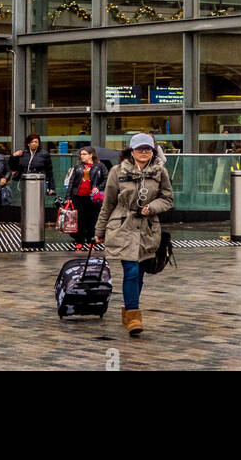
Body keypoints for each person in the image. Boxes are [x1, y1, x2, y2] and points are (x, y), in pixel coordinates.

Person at [94, 133, 173, 338]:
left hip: (148, 228)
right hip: (122, 226)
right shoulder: (116, 172)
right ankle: (134, 316)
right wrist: (99, 231)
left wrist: (152, 207)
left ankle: (128, 309)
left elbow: (167, 198)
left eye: (148, 149)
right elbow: (108, 203)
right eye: (140, 149)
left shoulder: (160, 172)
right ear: (131, 151)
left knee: (139, 272)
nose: (144, 152)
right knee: (131, 269)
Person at [64, 145, 107, 249]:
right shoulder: (78, 167)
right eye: (81, 154)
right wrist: (68, 197)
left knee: (92, 219)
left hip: (93, 197)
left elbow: (106, 179)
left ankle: (90, 241)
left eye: (84, 154)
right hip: (78, 196)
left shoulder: (100, 166)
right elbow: (72, 182)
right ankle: (79, 241)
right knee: (79, 220)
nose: (81, 156)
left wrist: (99, 187)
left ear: (91, 155)